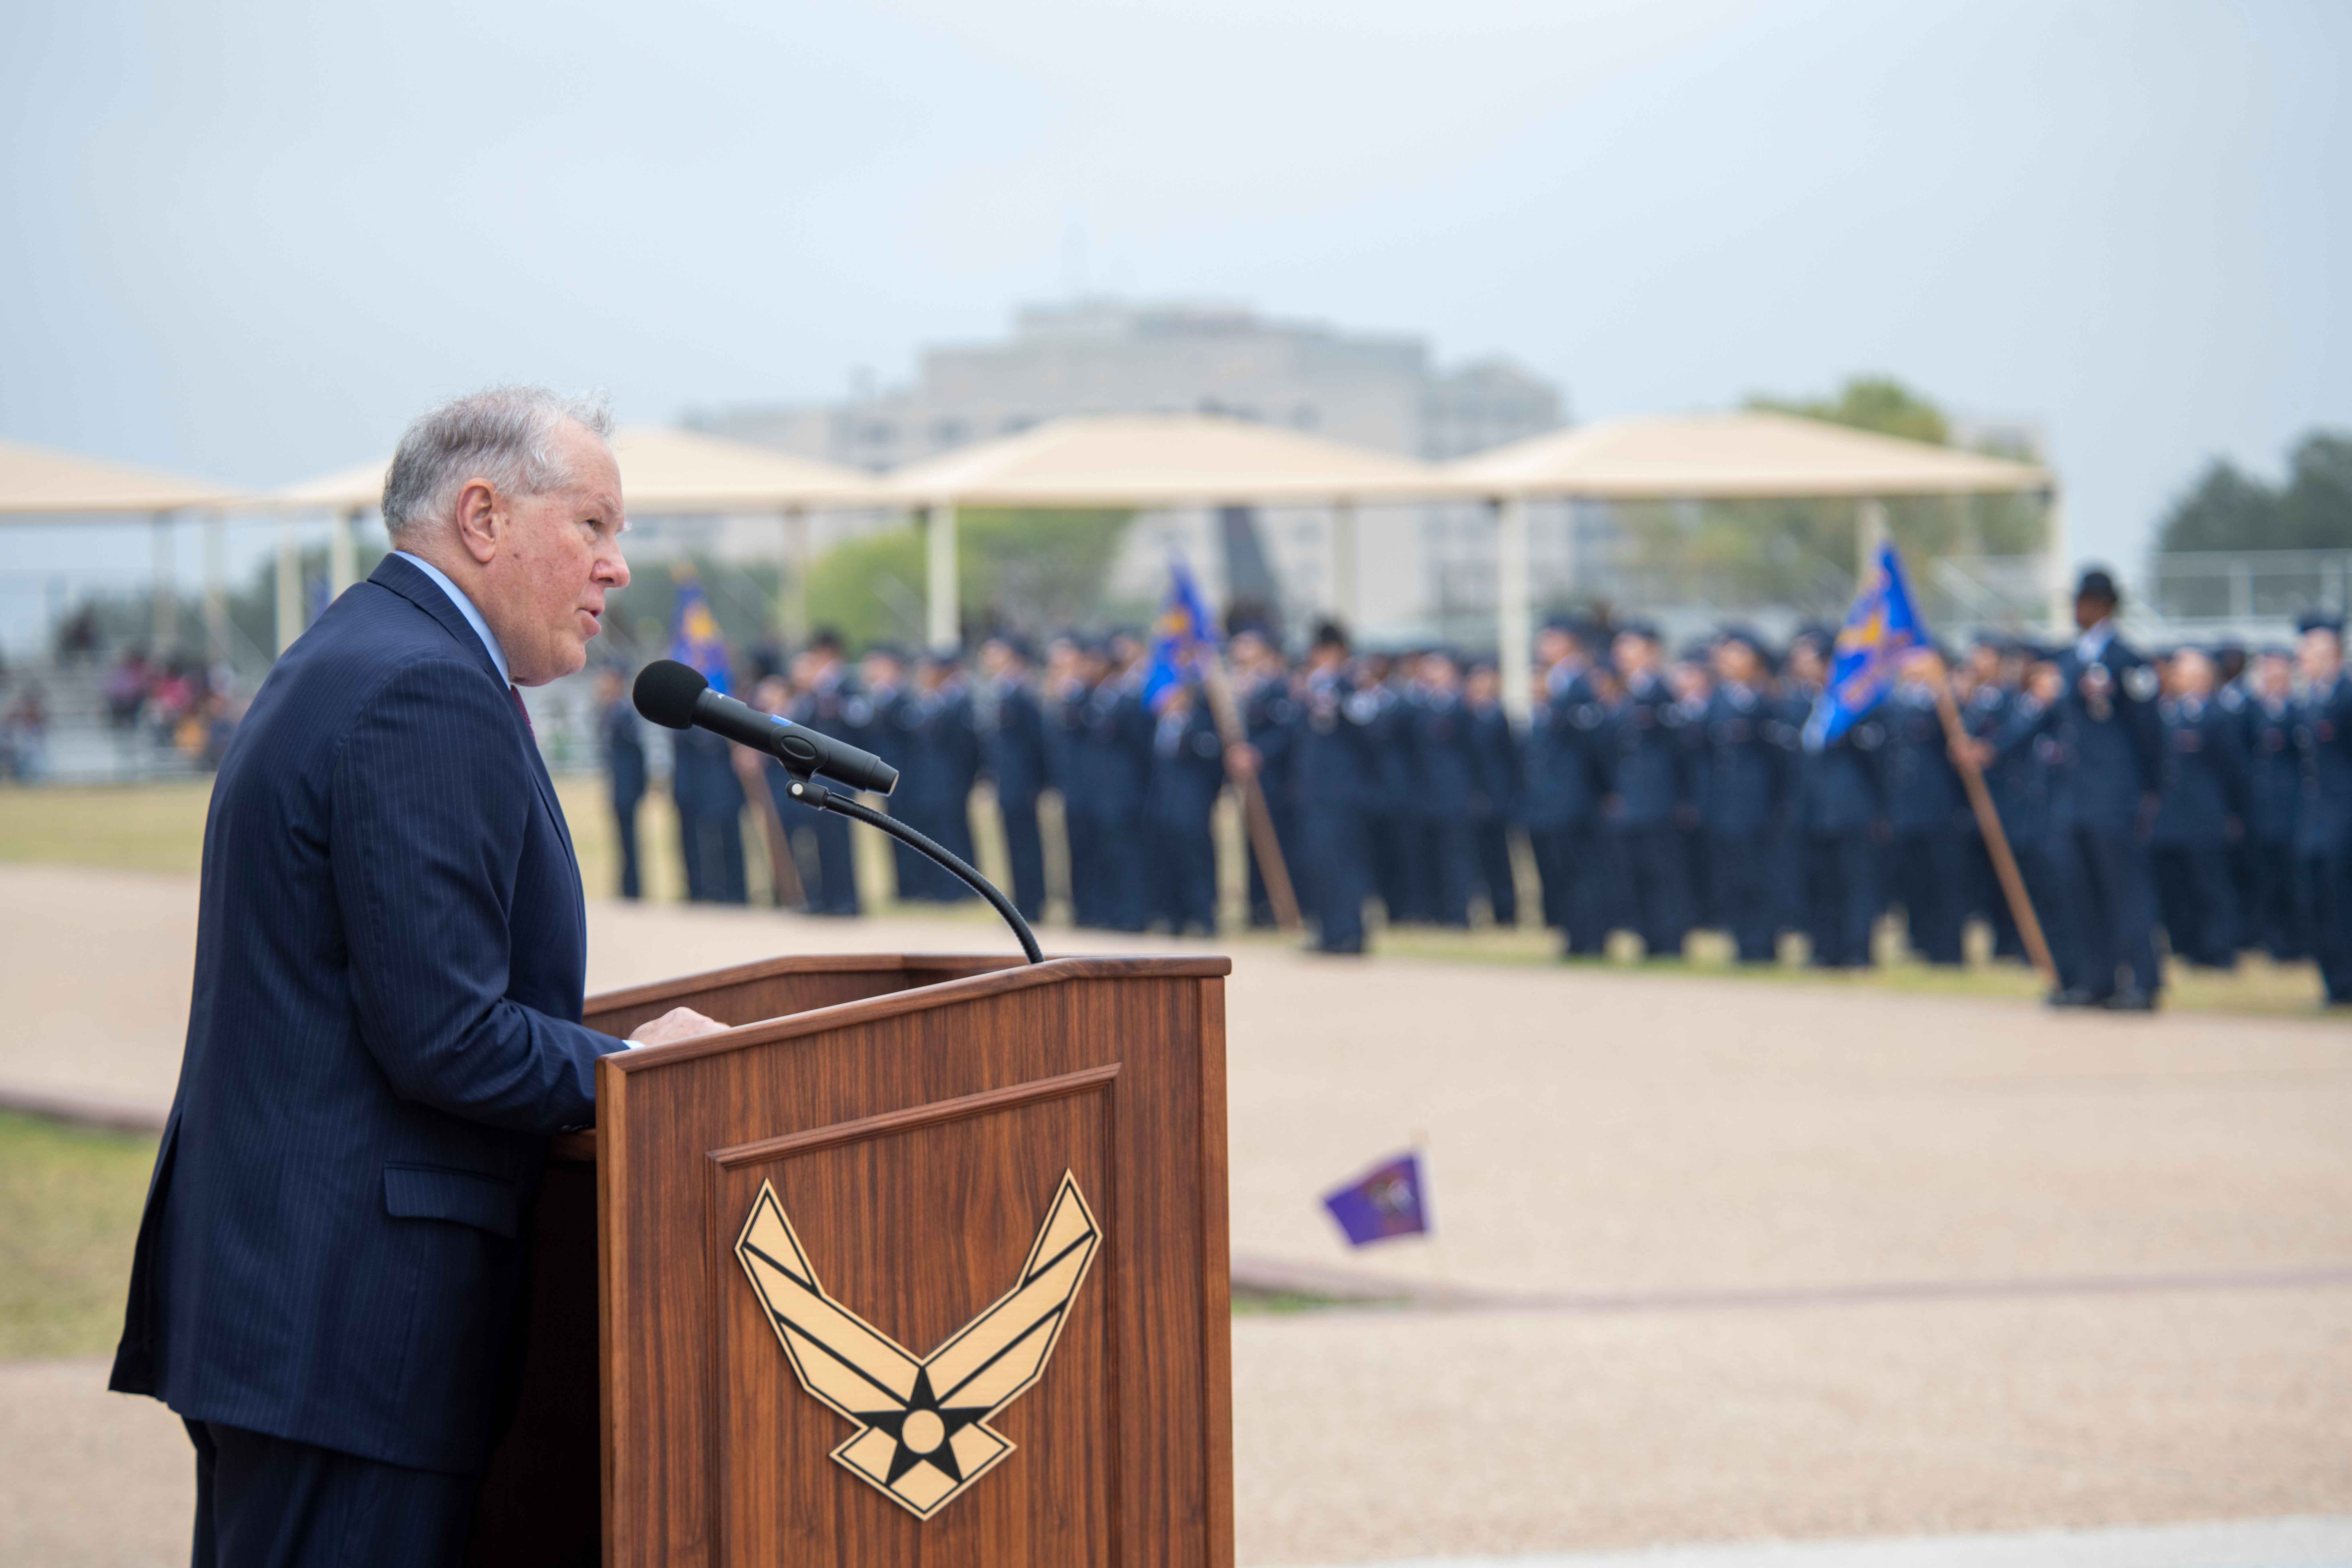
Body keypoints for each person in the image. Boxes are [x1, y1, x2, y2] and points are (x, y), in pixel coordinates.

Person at [108, 388, 725, 1567]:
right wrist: (647, 1070)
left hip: (308, 1316)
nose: (618, 568)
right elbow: (446, 1031)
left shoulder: (368, 649)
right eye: (592, 526)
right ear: (482, 516)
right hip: (356, 1327)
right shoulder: (421, 686)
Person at [2006, 568, 2165, 1009]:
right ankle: (2097, 979)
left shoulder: (2128, 662)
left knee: (2125, 891)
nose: (2079, 611)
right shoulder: (2071, 660)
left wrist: (2150, 791)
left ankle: (2144, 982)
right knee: (2082, 890)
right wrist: (1990, 750)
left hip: (2116, 796)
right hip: (2074, 795)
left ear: (2105, 606)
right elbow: (2045, 717)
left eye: (2087, 602)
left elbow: (2150, 734)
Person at [2149, 646, 2247, 968]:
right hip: (2171, 816)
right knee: (2178, 885)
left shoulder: (2219, 714)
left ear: (2202, 677)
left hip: (2207, 815)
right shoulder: (2167, 712)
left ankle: (2219, 950)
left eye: (2184, 671)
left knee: (2212, 887)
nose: (2175, 677)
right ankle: (2187, 946)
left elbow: (2234, 769)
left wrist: (2234, 812)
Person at [1605, 624, 1692, 960]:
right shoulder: (1627, 693)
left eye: (1630, 646)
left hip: (1660, 800)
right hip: (1632, 800)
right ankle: (1649, 939)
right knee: (1637, 873)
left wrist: (1681, 798)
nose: (1622, 654)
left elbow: (1679, 750)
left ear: (1651, 651)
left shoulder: (1663, 692)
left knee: (1665, 875)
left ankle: (1670, 941)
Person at [1699, 630, 1785, 964]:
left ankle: (1764, 944)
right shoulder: (1715, 703)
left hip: (1760, 805)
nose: (1730, 663)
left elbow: (1780, 761)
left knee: (1761, 877)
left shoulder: (1767, 703)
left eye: (1739, 656)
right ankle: (1741, 942)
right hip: (1723, 806)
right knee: (1731, 877)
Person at [1884, 649, 1967, 966]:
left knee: (1945, 880)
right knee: (1913, 879)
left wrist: (1944, 692)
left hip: (1940, 807)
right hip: (1905, 807)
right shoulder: (1895, 703)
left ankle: (1947, 949)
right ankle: (1919, 940)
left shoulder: (1946, 703)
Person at [1295, 621, 1374, 953]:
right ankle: (1328, 930)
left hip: (1342, 791)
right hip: (1315, 790)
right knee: (1320, 861)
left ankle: (1351, 931)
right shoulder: (1312, 687)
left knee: (1345, 862)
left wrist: (1341, 693)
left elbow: (1367, 730)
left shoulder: (1350, 686)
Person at [2291, 612, 2352, 1004]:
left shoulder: (2346, 697)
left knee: (2342, 900)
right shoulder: (2312, 699)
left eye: (2312, 652)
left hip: (2343, 815)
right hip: (2316, 816)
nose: (2305, 660)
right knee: (2316, 899)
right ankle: (2334, 982)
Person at [784, 631, 861, 916]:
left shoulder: (847, 686)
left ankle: (848, 899)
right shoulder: (815, 691)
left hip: (840, 774)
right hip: (817, 776)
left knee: (839, 838)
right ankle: (826, 897)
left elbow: (858, 721)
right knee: (820, 838)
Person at [977, 634, 1051, 921]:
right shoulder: (1000, 692)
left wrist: (1038, 782)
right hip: (1007, 781)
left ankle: (1033, 905)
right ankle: (1019, 904)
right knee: (1011, 845)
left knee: (1027, 846)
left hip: (1024, 782)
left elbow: (1037, 741)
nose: (989, 658)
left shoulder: (1024, 694)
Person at [1145, 682, 1225, 934]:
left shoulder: (1200, 725)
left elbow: (1212, 766)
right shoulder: (1160, 727)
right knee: (1169, 861)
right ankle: (1174, 916)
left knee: (1197, 862)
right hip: (1165, 806)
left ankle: (1204, 917)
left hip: (1192, 805)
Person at [2242, 648, 2305, 960]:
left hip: (2293, 810)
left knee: (2295, 880)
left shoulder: (2300, 711)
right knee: (2265, 880)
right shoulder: (2252, 712)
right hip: (2261, 811)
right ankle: (2273, 940)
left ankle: (2298, 940)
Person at [1463, 659, 1522, 927]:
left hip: (1497, 797)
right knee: (1477, 858)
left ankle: (1506, 910)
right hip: (1472, 796)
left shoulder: (1498, 716)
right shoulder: (1466, 715)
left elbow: (1511, 760)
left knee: (1501, 857)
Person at [597, 664, 646, 899]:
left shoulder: (625, 714)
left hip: (628, 789)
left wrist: (640, 788)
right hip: (617, 787)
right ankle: (625, 888)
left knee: (631, 843)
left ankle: (633, 890)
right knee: (621, 842)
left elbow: (638, 753)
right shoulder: (608, 712)